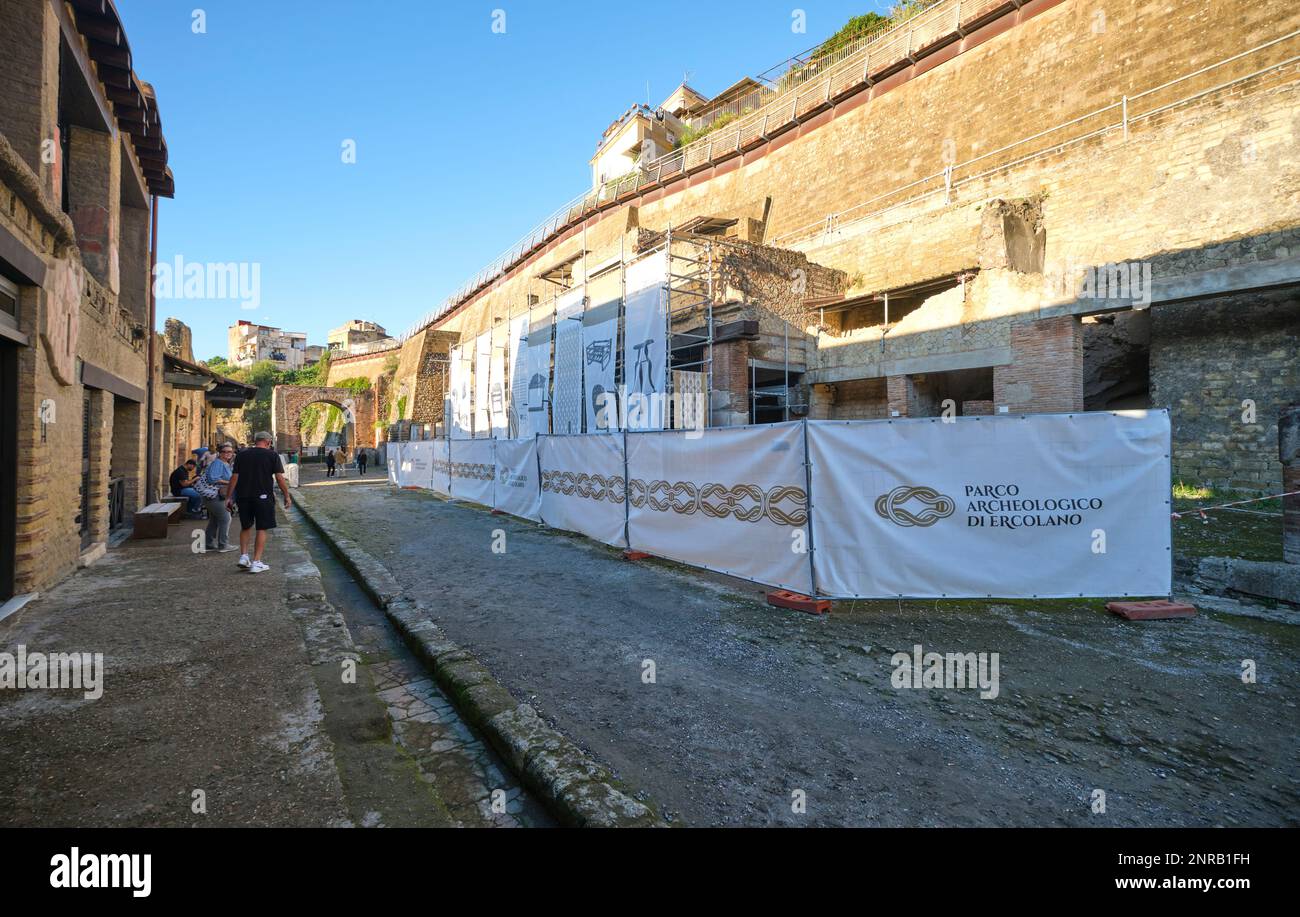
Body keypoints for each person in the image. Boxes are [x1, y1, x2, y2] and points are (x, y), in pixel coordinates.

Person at [226, 431, 290, 574]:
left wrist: (228, 497)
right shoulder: (272, 455)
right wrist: (286, 495)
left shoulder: (241, 455)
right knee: (262, 528)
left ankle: (243, 556)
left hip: (243, 496)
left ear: (255, 441)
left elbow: (234, 477)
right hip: (263, 497)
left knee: (246, 526)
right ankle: (256, 562)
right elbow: (279, 478)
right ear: (268, 442)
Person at [199, 443, 236, 552]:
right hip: (214, 496)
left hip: (217, 496)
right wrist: (230, 482)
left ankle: (208, 544)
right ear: (220, 453)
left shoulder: (226, 463)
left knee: (214, 520)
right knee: (226, 518)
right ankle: (223, 545)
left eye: (230, 451)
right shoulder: (218, 463)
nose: (227, 453)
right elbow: (213, 479)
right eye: (225, 451)